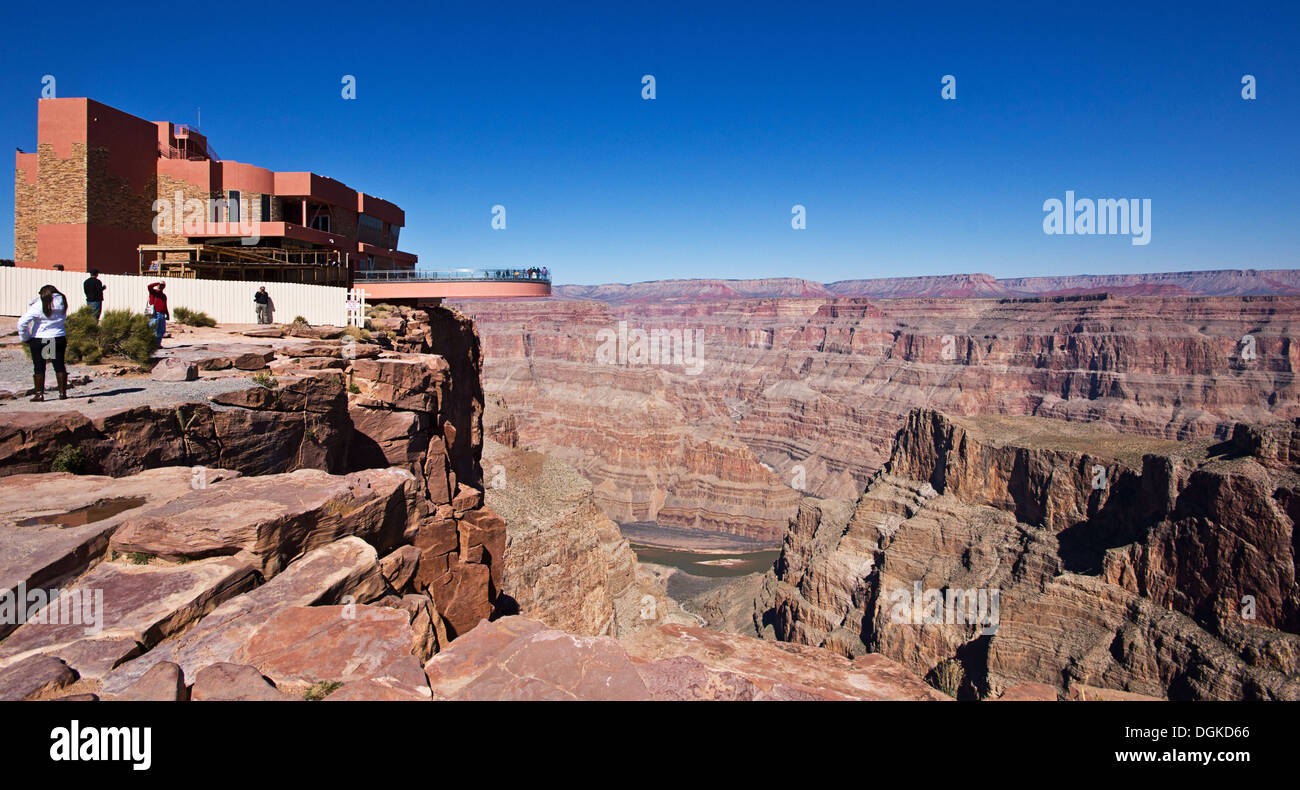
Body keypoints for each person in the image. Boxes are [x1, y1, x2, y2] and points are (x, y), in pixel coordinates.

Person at [16, 285, 69, 401]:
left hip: (41, 338)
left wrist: (25, 337)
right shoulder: (62, 301)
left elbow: (22, 323)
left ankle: (39, 394)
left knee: (39, 366)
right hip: (57, 337)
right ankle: (62, 393)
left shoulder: (39, 304)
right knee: (59, 365)